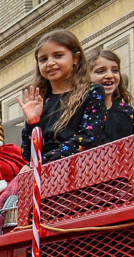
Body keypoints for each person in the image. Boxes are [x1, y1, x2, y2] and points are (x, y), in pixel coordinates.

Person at [18, 28, 107, 162]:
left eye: (58, 56)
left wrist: (46, 161)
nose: (50, 63)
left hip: (81, 170)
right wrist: (32, 123)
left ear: (75, 58)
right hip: (44, 174)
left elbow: (88, 137)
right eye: (43, 59)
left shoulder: (92, 92)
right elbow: (27, 154)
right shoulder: (41, 100)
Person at [91, 49, 134, 146]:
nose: (110, 75)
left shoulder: (127, 113)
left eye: (115, 70)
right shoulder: (77, 114)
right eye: (101, 71)